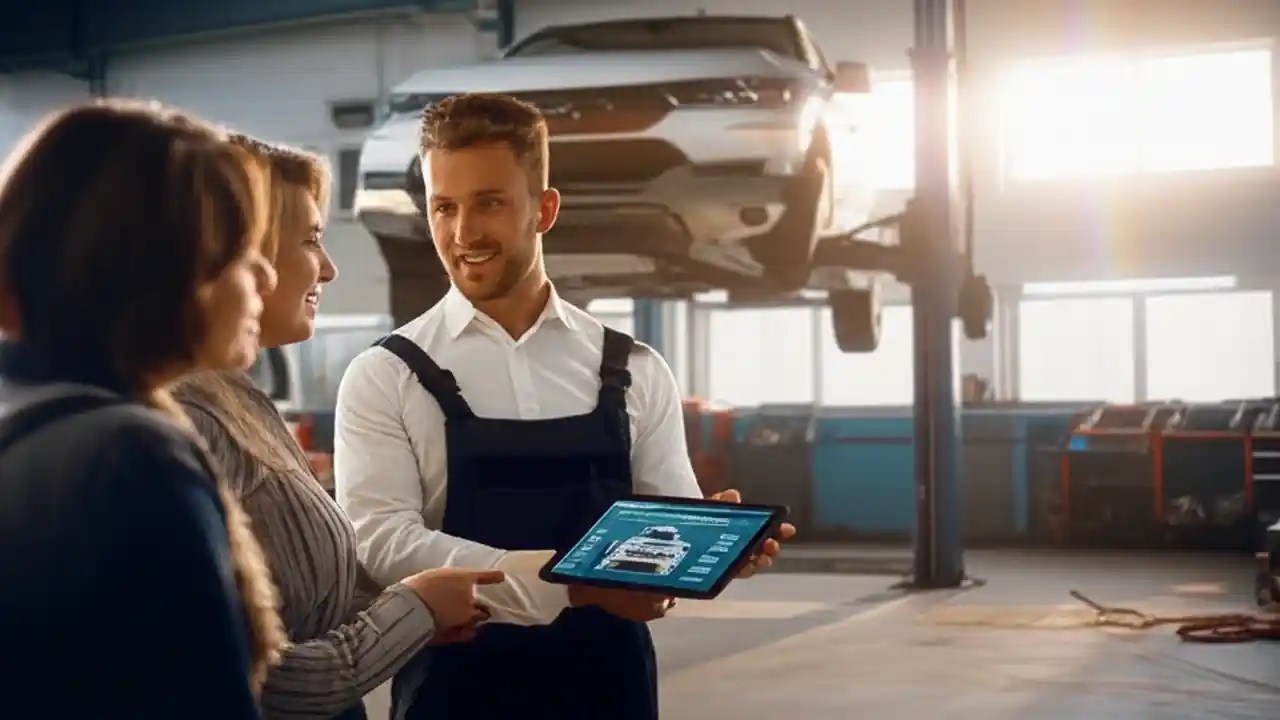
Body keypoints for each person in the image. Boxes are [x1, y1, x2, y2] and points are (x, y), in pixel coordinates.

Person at [335, 93, 795, 720]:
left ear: (544, 210)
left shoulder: (633, 368)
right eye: (445, 207)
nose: (463, 233)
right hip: (454, 695)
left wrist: (711, 547)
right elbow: (381, 544)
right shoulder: (385, 375)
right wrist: (573, 587)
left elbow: (668, 516)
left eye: (489, 203)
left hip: (612, 692)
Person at [173, 133, 506, 720]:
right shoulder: (184, 425)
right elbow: (265, 683)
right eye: (311, 240)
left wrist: (408, 609)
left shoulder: (239, 400)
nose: (328, 268)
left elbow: (306, 604)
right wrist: (414, 609)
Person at [0, 99, 282, 717]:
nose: (264, 276)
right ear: (160, 270)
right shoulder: (133, 457)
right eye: (238, 251)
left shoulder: (29, 415)